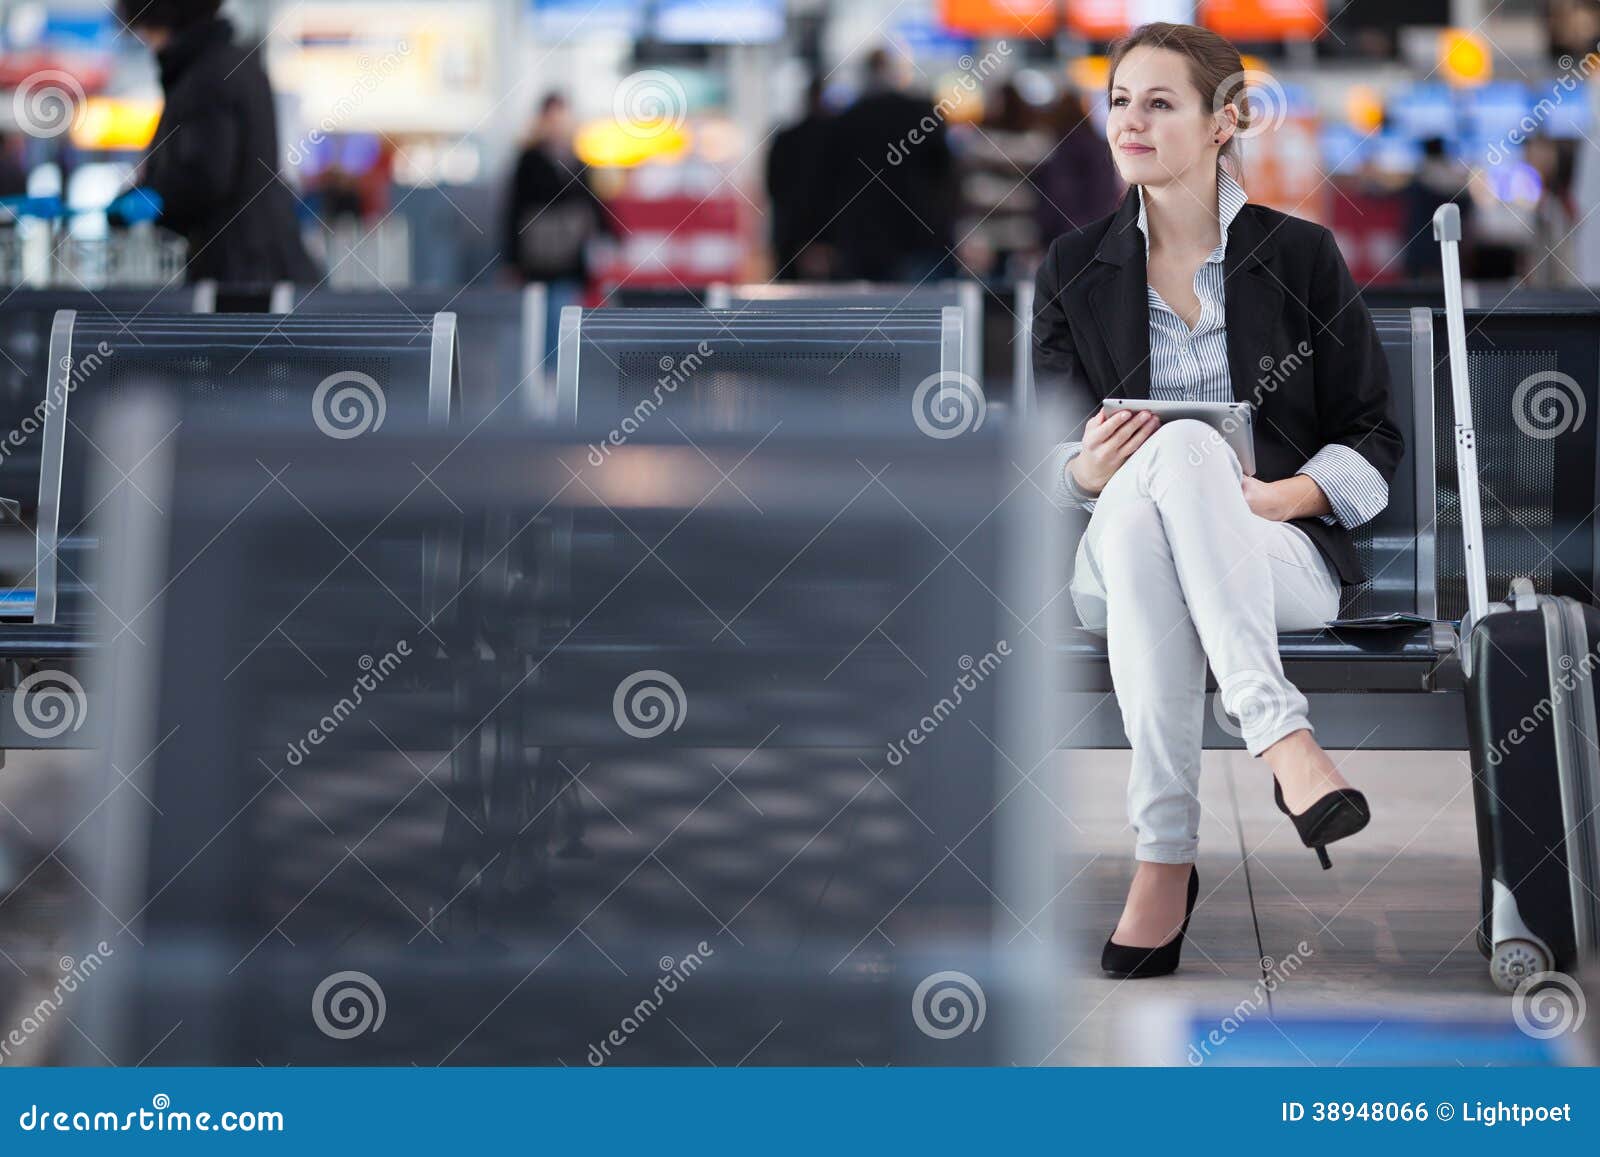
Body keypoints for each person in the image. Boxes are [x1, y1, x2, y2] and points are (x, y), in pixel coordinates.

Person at [1032, 22, 1404, 980]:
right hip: (1116, 557)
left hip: (1275, 554)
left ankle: (1164, 858)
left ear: (1224, 121)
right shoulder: (1072, 267)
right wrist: (1084, 471)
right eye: (1121, 101)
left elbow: (1374, 433)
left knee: (1183, 462)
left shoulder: (1301, 256)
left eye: (1160, 103)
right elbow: (1044, 453)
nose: (1132, 122)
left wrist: (1286, 495)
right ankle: (1281, 737)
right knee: (1166, 468)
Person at [114, 0, 317, 284]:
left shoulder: (203, 77)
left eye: (146, 29)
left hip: (236, 270)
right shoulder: (236, 64)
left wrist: (150, 199)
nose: (146, 40)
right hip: (264, 260)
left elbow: (206, 177)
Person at [823, 47, 955, 282]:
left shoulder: (847, 120)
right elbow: (945, 171)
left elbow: (831, 181)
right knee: (923, 303)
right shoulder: (922, 112)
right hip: (918, 232)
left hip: (863, 237)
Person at [504, 93, 611, 334]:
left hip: (570, 261)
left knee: (565, 319)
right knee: (541, 322)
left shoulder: (578, 161)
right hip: (537, 261)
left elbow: (594, 204)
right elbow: (513, 210)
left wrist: (610, 236)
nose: (557, 125)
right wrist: (510, 259)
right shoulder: (529, 160)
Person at [1033, 89, 1123, 247]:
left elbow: (1058, 192)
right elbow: (1105, 190)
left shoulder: (1060, 147)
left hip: (1068, 230)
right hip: (1093, 228)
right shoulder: (1096, 144)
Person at [765, 76, 835, 280]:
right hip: (826, 232)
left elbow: (773, 186)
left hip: (791, 232)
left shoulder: (786, 139)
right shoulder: (837, 139)